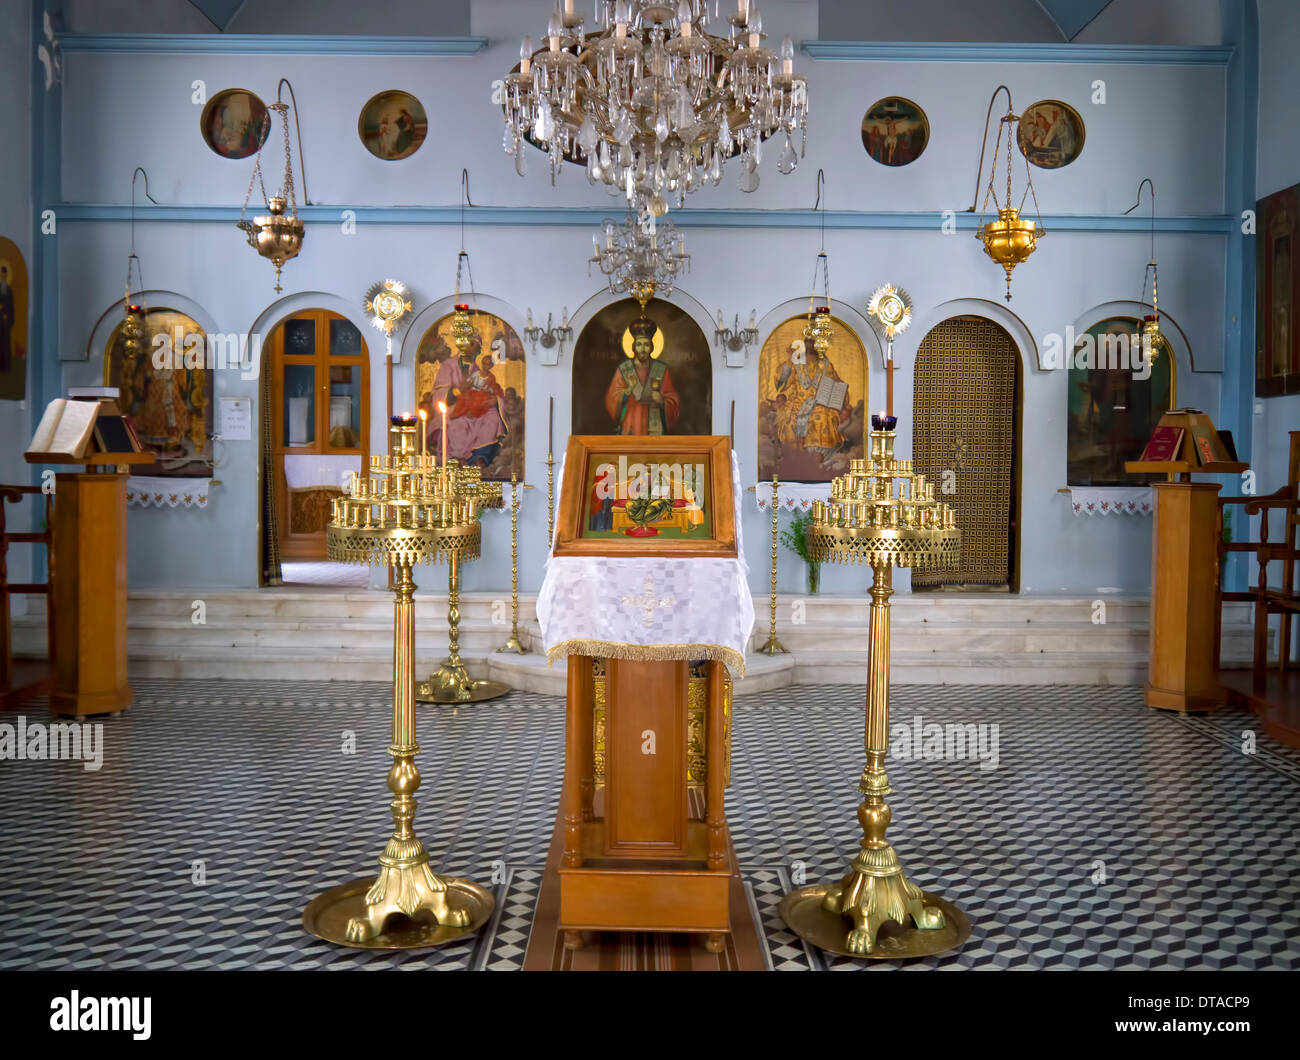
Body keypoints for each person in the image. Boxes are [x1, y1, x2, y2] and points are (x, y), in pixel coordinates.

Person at [430, 333, 508, 467]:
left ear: (478, 351)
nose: (470, 348)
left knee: (493, 418)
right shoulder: (448, 366)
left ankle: (480, 459)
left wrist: (495, 400)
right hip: (453, 408)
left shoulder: (478, 370)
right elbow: (438, 394)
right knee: (458, 425)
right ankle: (457, 459)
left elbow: (492, 389)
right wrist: (457, 391)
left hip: (477, 406)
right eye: (469, 344)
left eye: (474, 346)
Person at [772, 338, 850, 460]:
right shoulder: (795, 362)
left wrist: (841, 392)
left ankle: (819, 458)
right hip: (797, 403)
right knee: (790, 420)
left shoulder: (825, 364)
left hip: (821, 404)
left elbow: (837, 382)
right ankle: (797, 458)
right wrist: (789, 360)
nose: (811, 345)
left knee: (824, 419)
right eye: (807, 342)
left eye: (814, 342)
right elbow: (781, 385)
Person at [604, 316, 680, 435]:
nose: (643, 349)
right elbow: (611, 399)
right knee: (628, 453)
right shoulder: (624, 369)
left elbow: (672, 400)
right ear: (634, 347)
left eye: (646, 345)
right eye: (639, 344)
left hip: (653, 426)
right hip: (630, 424)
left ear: (651, 348)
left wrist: (661, 401)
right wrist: (627, 392)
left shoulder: (661, 370)